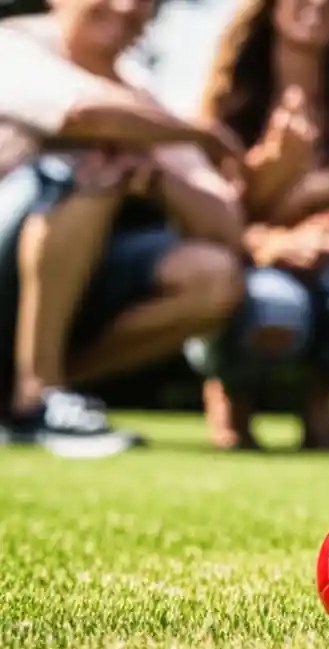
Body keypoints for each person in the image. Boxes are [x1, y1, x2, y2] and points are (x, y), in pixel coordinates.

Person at [0, 0, 247, 457]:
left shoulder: (140, 95)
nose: (129, 6)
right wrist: (195, 133)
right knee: (89, 170)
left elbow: (225, 226)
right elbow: (82, 114)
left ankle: (38, 395)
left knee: (214, 274)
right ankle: (35, 396)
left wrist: (159, 181)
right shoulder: (12, 45)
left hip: (75, 286)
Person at [191, 0, 329, 451]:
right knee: (278, 310)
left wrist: (316, 226)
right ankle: (232, 388)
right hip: (249, 260)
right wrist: (273, 203)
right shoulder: (228, 97)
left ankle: (321, 400)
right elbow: (205, 211)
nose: (318, 5)